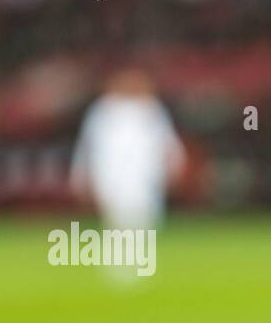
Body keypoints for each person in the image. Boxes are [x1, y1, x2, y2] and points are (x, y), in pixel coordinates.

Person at [70, 68, 186, 233]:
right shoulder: (102, 110)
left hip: (145, 174)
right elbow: (88, 146)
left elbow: (167, 143)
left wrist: (173, 167)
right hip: (110, 174)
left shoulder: (151, 108)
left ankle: (145, 253)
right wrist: (80, 176)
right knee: (115, 220)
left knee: (146, 220)